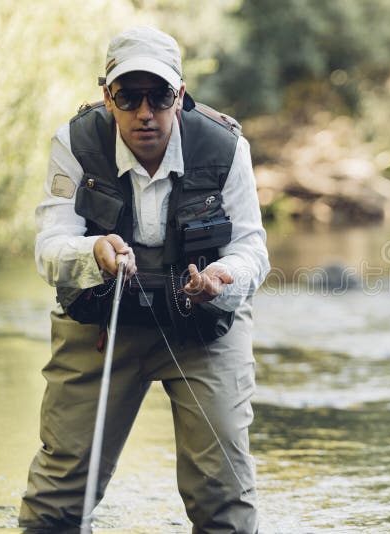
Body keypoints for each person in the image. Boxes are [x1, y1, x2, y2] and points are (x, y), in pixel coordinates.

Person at [19, 26, 269, 533]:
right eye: (128, 96)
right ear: (106, 94)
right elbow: (49, 249)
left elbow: (252, 249)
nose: (144, 112)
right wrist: (93, 250)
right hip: (101, 325)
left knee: (224, 507)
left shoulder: (225, 148)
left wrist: (222, 276)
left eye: (158, 96)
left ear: (180, 95)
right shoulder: (74, 142)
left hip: (203, 327)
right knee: (55, 506)